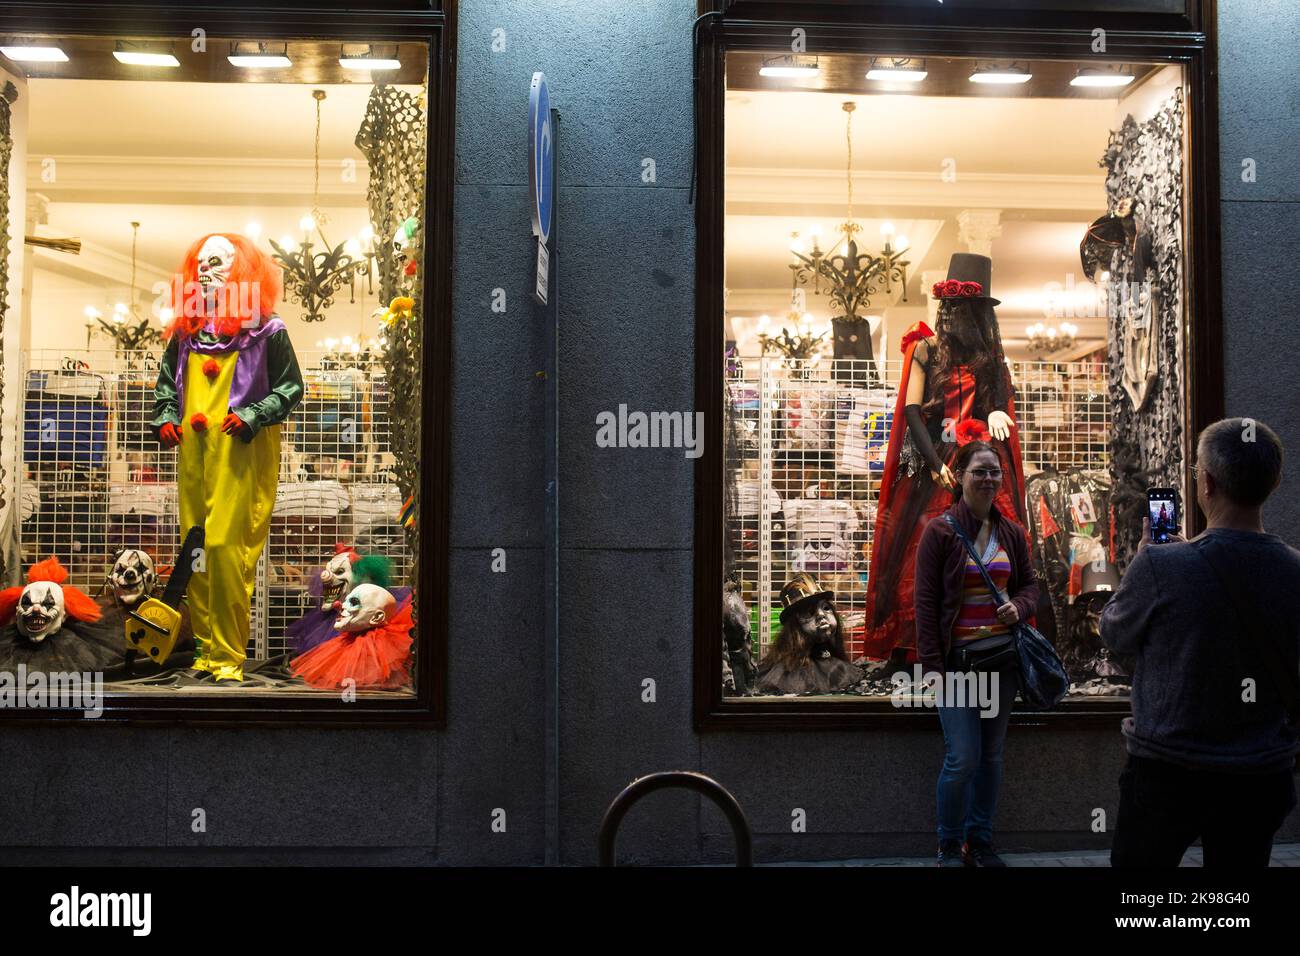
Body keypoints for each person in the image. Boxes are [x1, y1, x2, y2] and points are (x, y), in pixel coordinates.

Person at [1101, 418, 1300, 867]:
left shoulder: (1160, 565)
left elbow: (1114, 634)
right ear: (1275, 481)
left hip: (1167, 769)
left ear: (1206, 483)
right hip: (1259, 770)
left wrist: (1145, 564)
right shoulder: (1293, 570)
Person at [863, 254, 1029, 671]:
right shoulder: (925, 349)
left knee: (991, 546)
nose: (954, 316)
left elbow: (996, 401)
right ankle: (923, 650)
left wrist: (993, 411)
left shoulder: (990, 357)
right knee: (928, 550)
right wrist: (935, 461)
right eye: (950, 308)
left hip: (978, 460)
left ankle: (987, 636)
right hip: (938, 464)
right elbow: (912, 412)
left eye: (963, 309)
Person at [914, 439, 1039, 867]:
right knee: (962, 757)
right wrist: (931, 667)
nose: (987, 479)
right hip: (957, 667)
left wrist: (1018, 607)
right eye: (979, 471)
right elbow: (925, 605)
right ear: (960, 476)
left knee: (991, 757)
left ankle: (980, 842)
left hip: (1001, 664)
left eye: (994, 472)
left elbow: (1031, 588)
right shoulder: (941, 531)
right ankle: (949, 845)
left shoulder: (1011, 532)